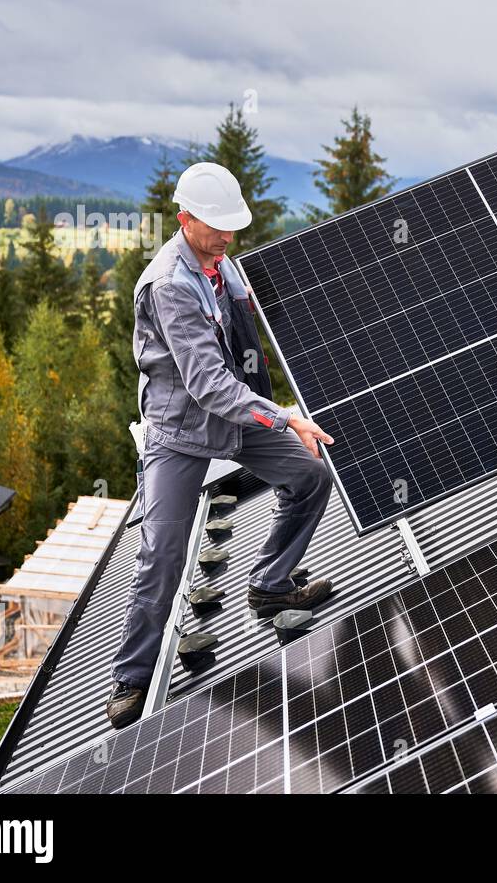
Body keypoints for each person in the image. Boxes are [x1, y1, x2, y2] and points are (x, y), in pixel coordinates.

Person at [105, 162, 336, 729]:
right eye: (217, 227)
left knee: (310, 476)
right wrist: (282, 415)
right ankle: (132, 677)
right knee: (162, 551)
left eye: (233, 226)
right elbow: (207, 384)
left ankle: (271, 586)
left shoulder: (221, 266)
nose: (228, 237)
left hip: (234, 417)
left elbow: (247, 333)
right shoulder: (170, 286)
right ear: (184, 219)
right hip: (180, 431)